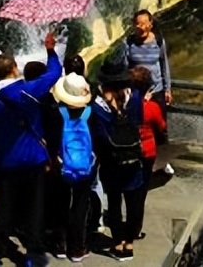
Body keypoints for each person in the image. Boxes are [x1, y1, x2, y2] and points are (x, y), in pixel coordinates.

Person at [0, 34, 61, 267]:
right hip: (33, 160)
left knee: (2, 211)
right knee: (34, 211)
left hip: (3, 164)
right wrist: (50, 50)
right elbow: (54, 73)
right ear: (15, 68)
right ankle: (33, 256)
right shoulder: (30, 91)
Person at [92, 60, 146, 262]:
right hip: (133, 157)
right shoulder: (135, 98)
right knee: (134, 202)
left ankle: (117, 242)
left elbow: (98, 134)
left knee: (114, 203)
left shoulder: (98, 106)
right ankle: (129, 243)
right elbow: (139, 121)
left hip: (110, 160)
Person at [50, 72, 96, 263]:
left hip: (61, 164)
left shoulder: (57, 112)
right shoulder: (91, 113)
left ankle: (59, 244)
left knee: (60, 203)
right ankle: (77, 248)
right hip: (86, 166)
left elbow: (52, 139)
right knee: (80, 205)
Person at [129, 65, 171, 186]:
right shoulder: (152, 107)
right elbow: (162, 126)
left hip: (128, 149)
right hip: (147, 150)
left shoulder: (123, 105)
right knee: (144, 183)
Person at [119, 10, 171, 106]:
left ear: (150, 24)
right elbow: (124, 67)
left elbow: (164, 65)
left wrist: (167, 89)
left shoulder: (158, 41)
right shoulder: (128, 43)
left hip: (156, 91)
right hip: (136, 92)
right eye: (138, 24)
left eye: (144, 24)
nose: (141, 28)